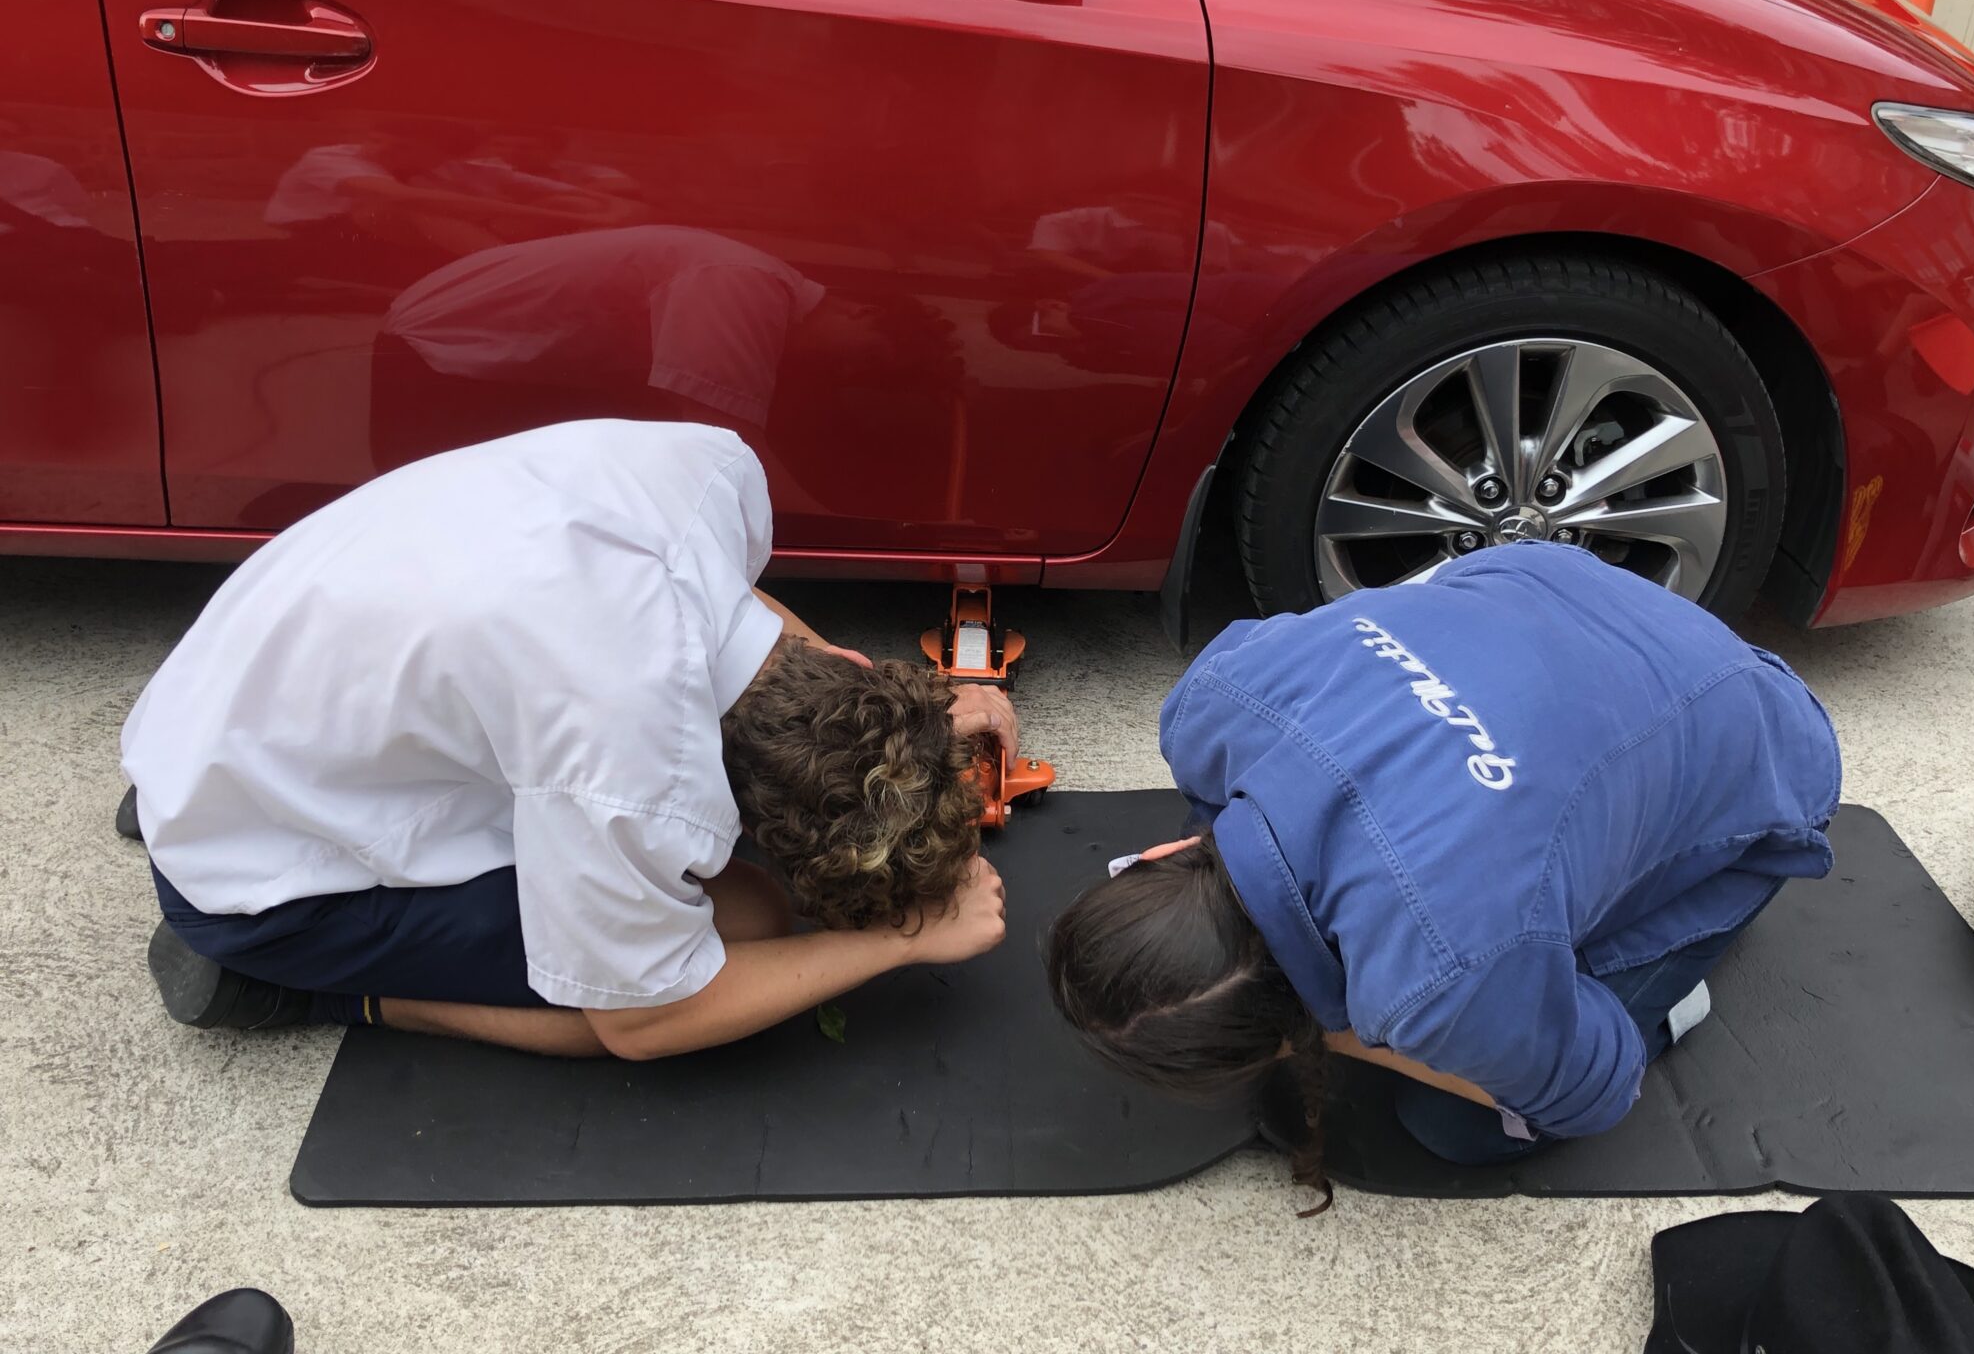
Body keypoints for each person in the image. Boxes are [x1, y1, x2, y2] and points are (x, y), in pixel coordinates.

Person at [127, 420, 1014, 1060]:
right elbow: (645, 1022)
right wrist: (898, 938)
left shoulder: (712, 475)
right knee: (749, 922)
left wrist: (922, 707)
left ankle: (243, 790)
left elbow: (769, 638)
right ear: (725, 805)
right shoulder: (626, 767)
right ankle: (309, 989)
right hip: (247, 875)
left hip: (233, 701)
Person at [1045, 541, 1840, 1210]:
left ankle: (1668, 994)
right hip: (1562, 579)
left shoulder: (1442, 977)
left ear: (1293, 1041)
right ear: (1153, 859)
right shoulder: (1207, 703)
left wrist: (1366, 1029)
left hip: (1769, 734)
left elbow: (1601, 1093)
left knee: (1455, 1124)